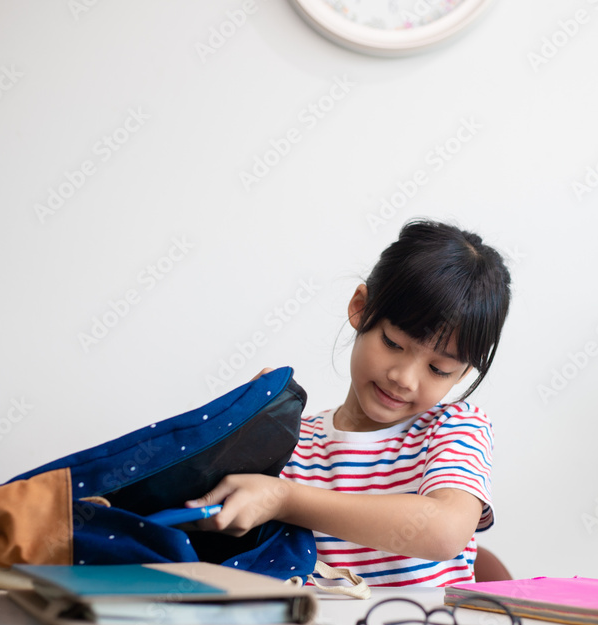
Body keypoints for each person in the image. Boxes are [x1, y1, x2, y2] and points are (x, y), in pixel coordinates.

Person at [187, 219, 512, 586]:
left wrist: (286, 500)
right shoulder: (292, 441)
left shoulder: (455, 427)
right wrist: (240, 439)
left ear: (464, 373)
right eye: (393, 343)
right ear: (360, 308)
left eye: (438, 369)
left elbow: (445, 531)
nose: (404, 378)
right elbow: (211, 533)